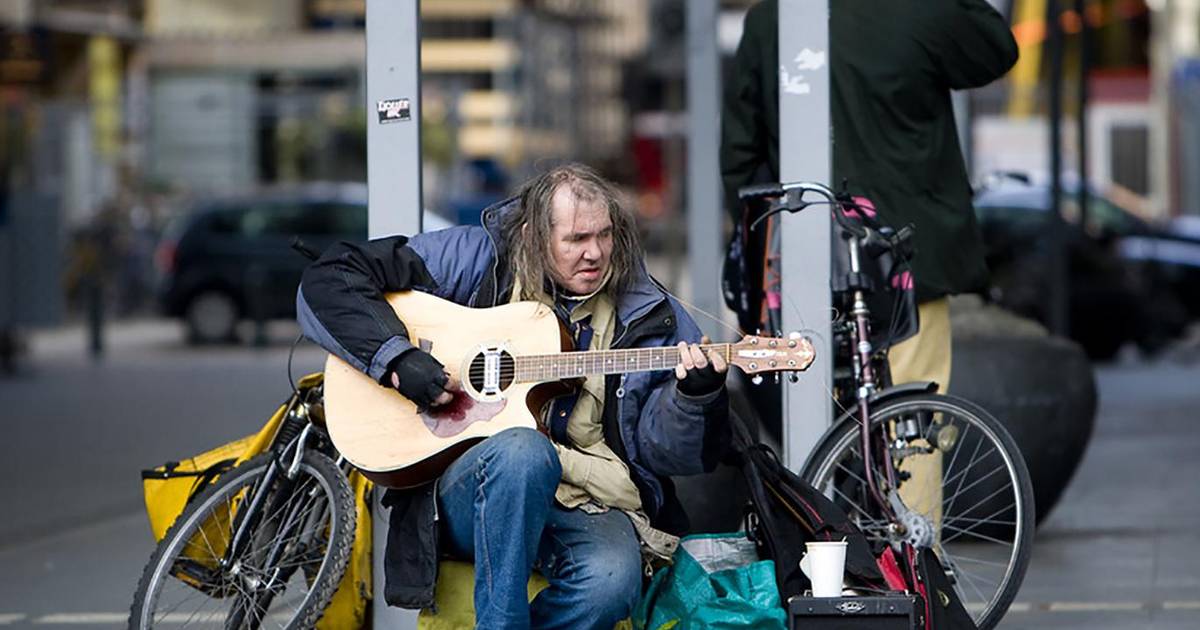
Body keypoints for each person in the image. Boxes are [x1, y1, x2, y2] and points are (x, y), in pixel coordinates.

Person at [297, 163, 731, 629]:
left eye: (604, 235)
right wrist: (398, 359)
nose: (595, 253)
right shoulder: (476, 260)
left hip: (586, 496)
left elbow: (670, 455)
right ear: (533, 236)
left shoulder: (649, 314)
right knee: (524, 450)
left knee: (610, 582)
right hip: (471, 487)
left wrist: (694, 397)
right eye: (576, 239)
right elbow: (332, 278)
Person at [721, 0, 1018, 391]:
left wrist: (762, 251)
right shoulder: (914, 9)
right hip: (909, 255)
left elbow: (740, 155)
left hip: (809, 258)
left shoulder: (771, 19)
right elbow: (995, 48)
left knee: (817, 403)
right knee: (913, 406)